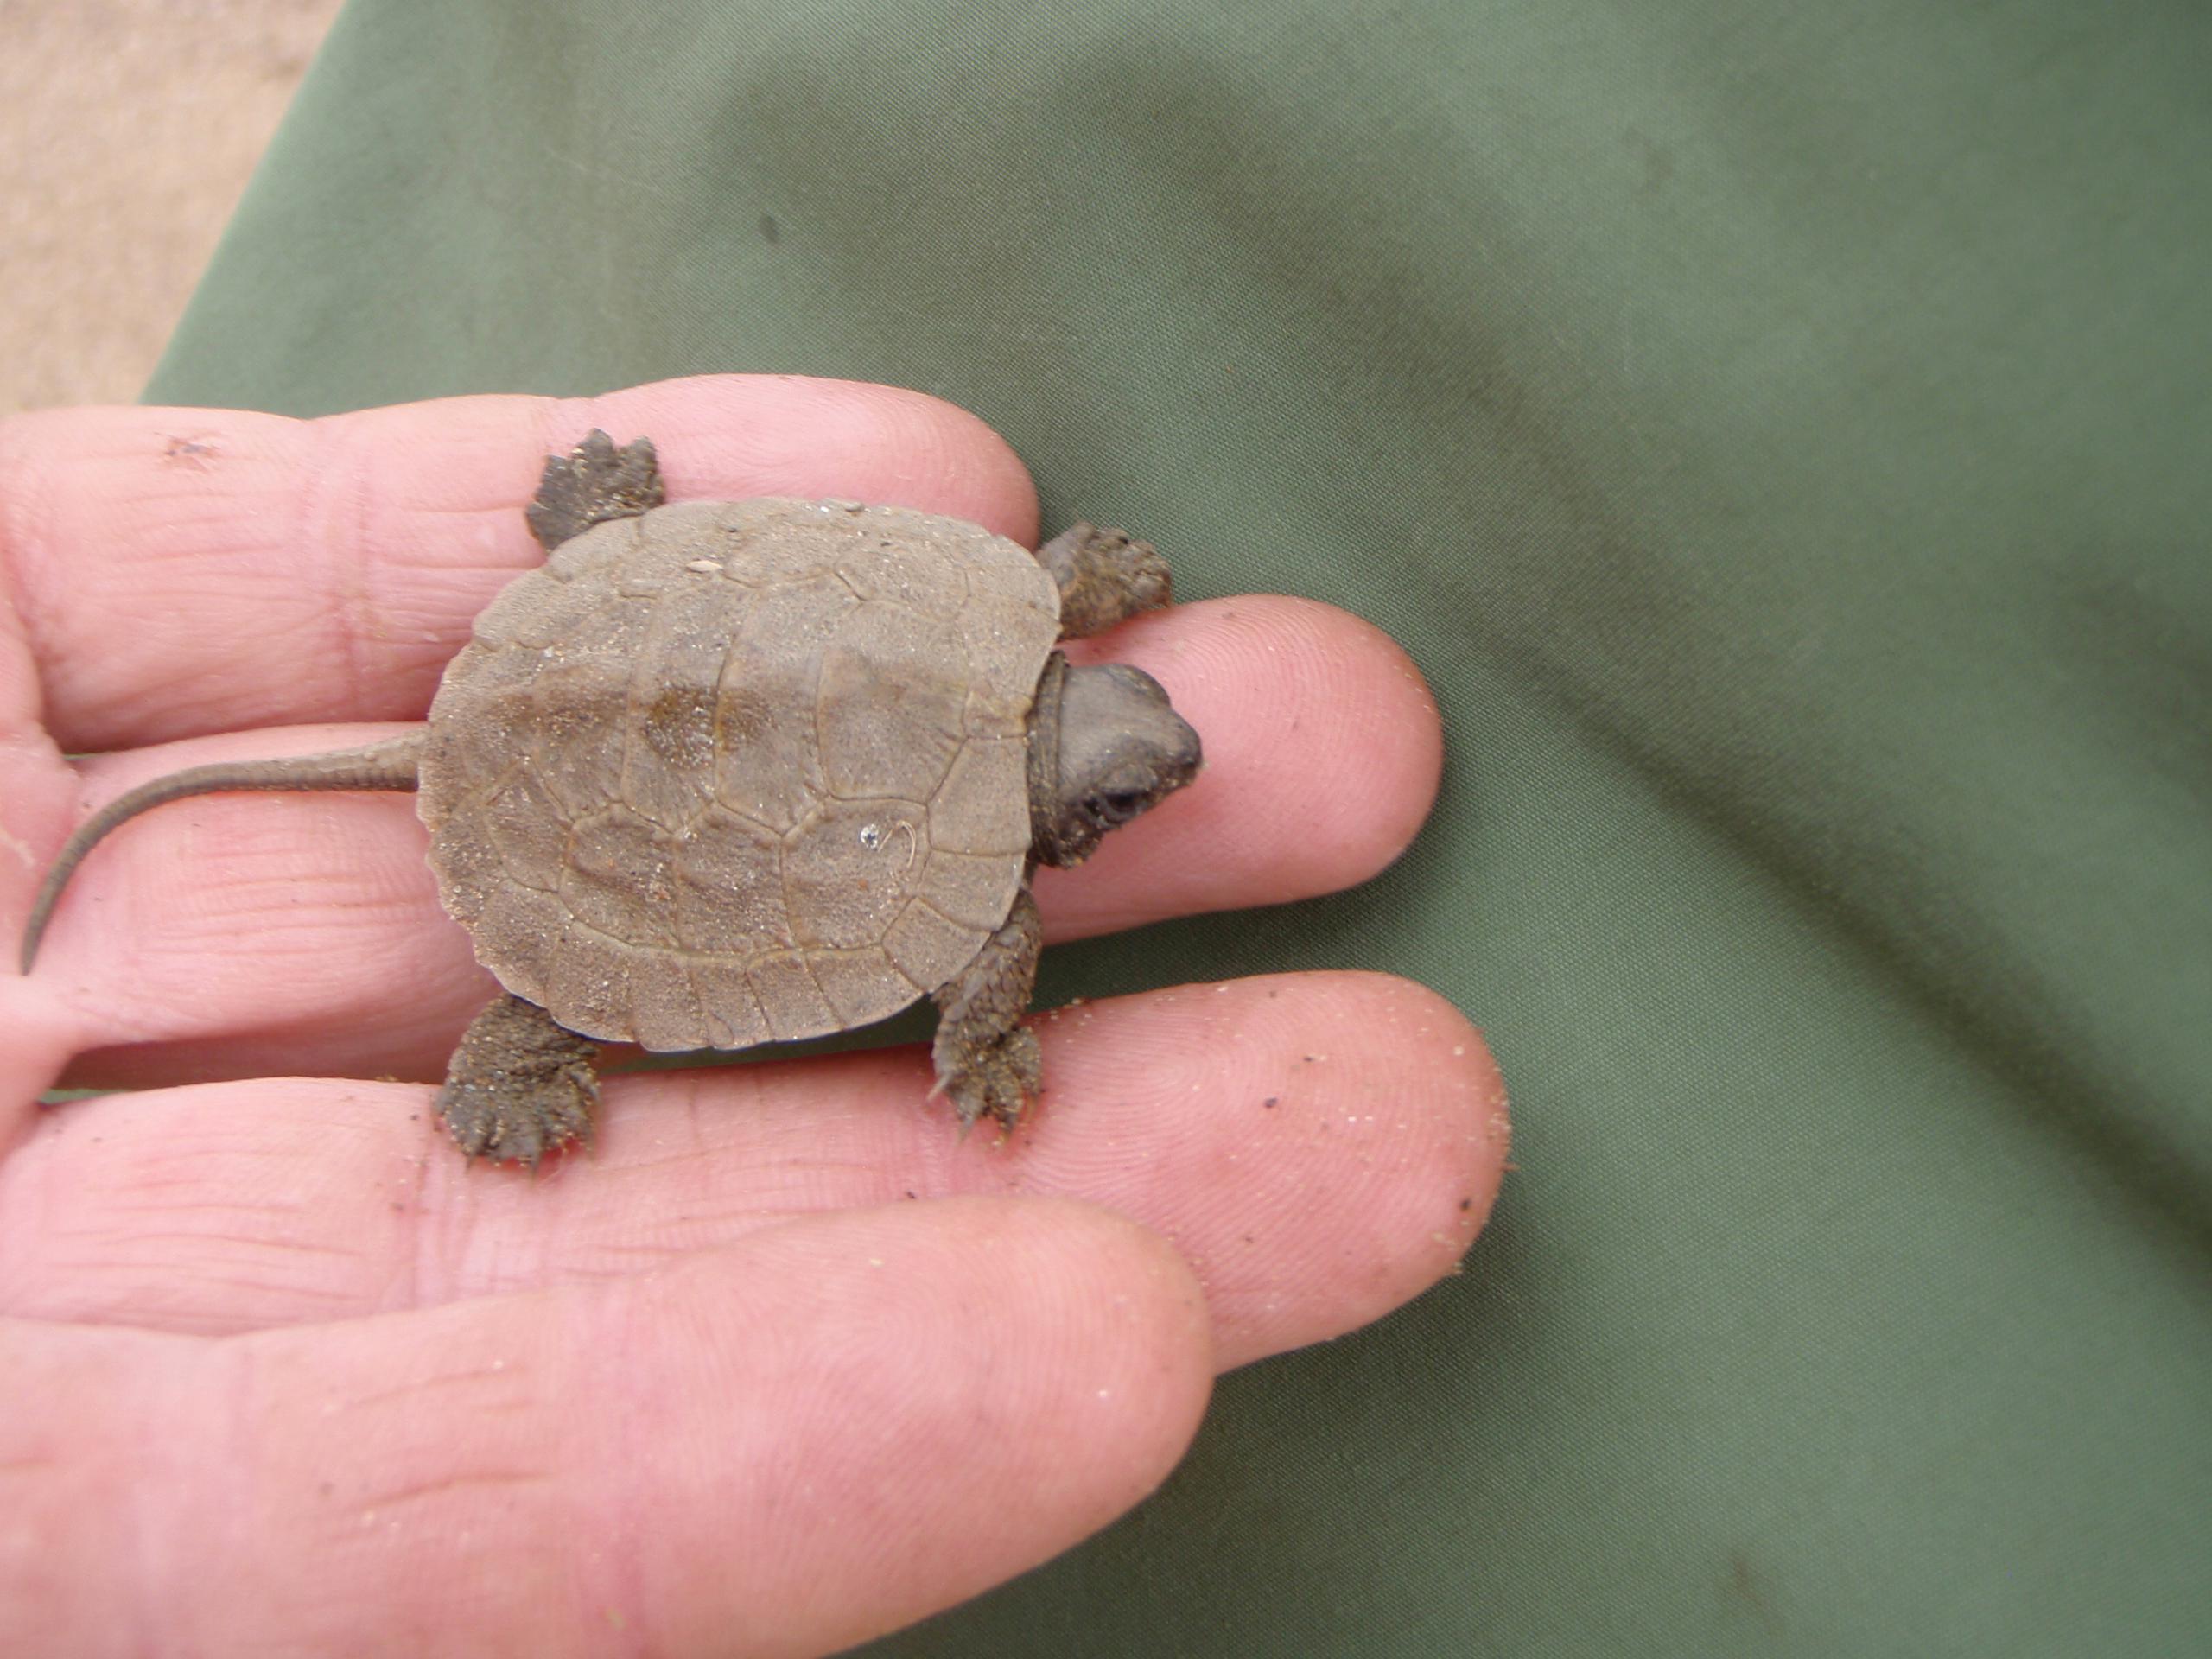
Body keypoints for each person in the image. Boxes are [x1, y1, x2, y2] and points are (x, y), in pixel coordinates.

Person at [0, 376, 1504, 1653]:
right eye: (1132, 784)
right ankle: (525, 1033)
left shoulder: (997, 616)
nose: (1161, 764)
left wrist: (1061, 588)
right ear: (1076, 817)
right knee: (605, 973)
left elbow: (957, 605)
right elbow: (979, 977)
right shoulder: (986, 884)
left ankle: (607, 554)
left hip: (613, 651)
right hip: (597, 764)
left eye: (1131, 755)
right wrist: (984, 1045)